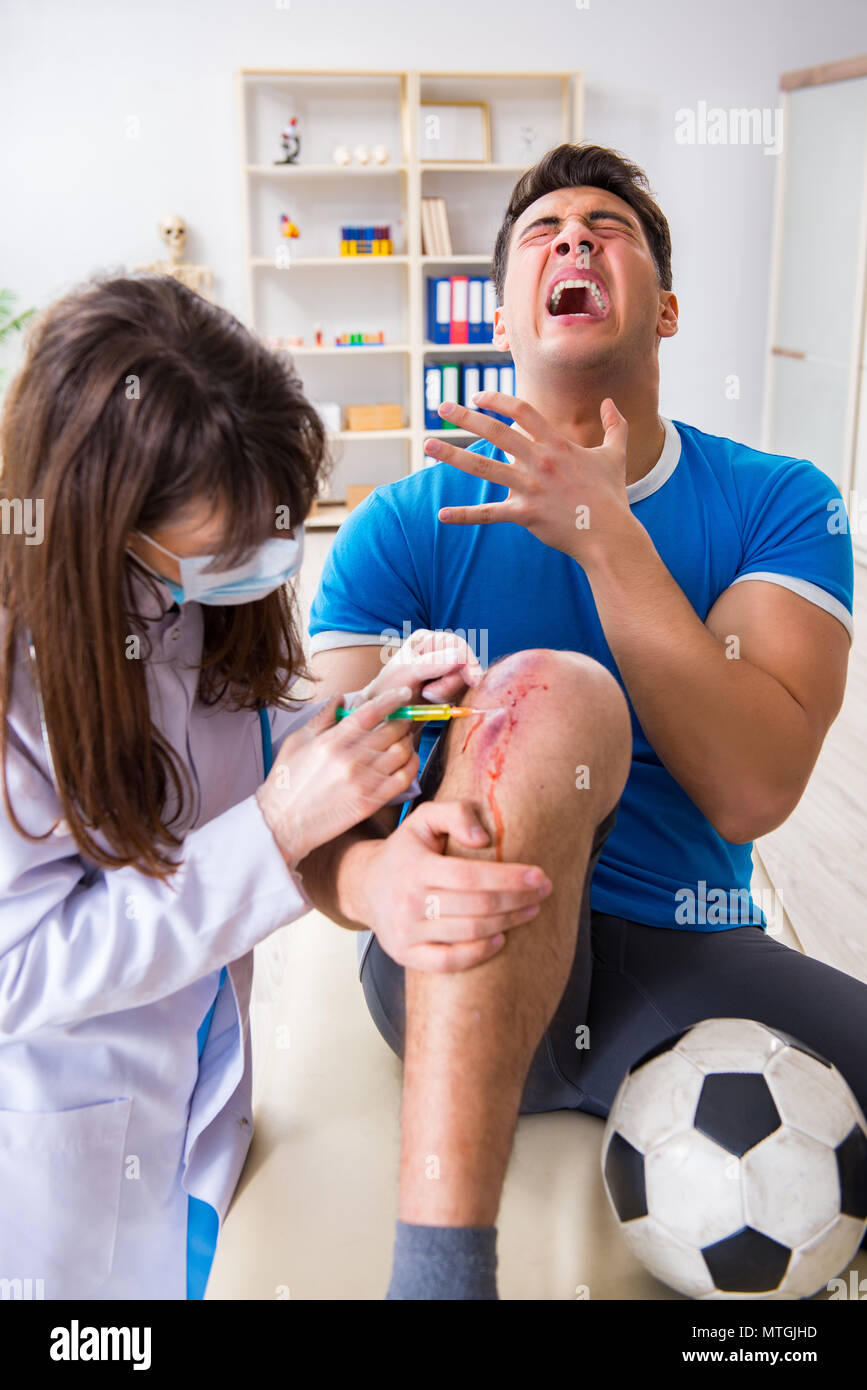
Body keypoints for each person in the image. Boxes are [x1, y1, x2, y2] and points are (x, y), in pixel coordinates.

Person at [304, 143, 867, 1300]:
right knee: (550, 693)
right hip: (466, 945)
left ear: (662, 308)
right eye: (541, 232)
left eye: (607, 226)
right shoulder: (401, 526)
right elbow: (310, 808)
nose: (572, 238)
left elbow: (751, 790)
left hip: (686, 944)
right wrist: (398, 791)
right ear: (504, 310)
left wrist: (606, 534)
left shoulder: (783, 501)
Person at [0, 272, 549, 1299]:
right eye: (222, 547)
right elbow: (17, 968)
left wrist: (376, 706)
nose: (260, 561)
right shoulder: (19, 677)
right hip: (60, 1173)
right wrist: (275, 827)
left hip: (202, 1116)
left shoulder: (186, 604)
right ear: (101, 520)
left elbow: (241, 752)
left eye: (273, 526)